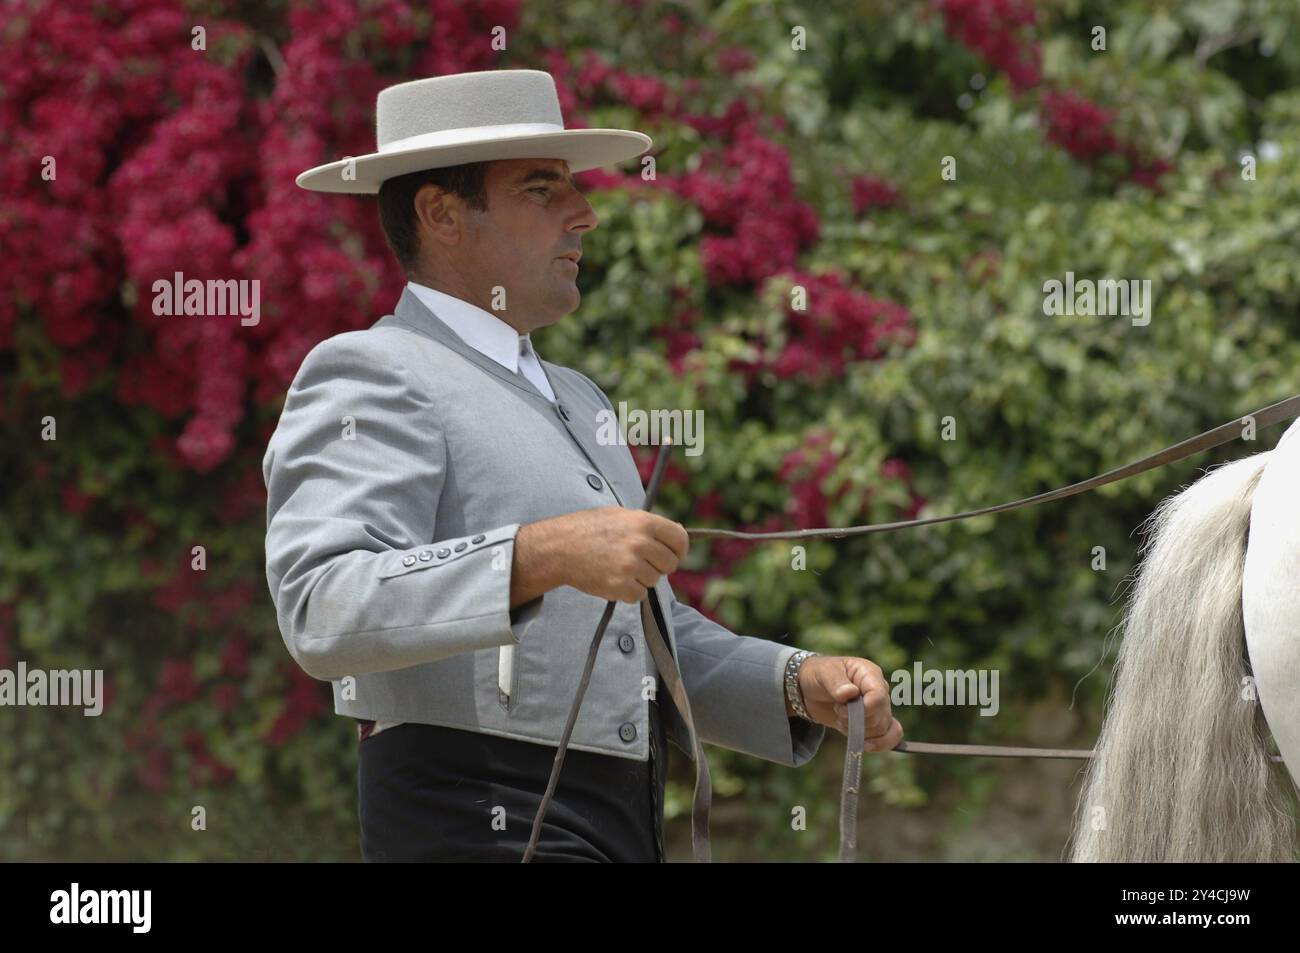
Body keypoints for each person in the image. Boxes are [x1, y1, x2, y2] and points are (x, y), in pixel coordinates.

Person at [262, 69, 903, 862]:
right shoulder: (371, 368)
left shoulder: (576, 395)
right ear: (442, 214)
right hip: (471, 816)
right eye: (542, 189)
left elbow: (644, 636)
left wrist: (796, 681)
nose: (586, 215)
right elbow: (322, 605)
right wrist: (541, 553)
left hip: (623, 820)